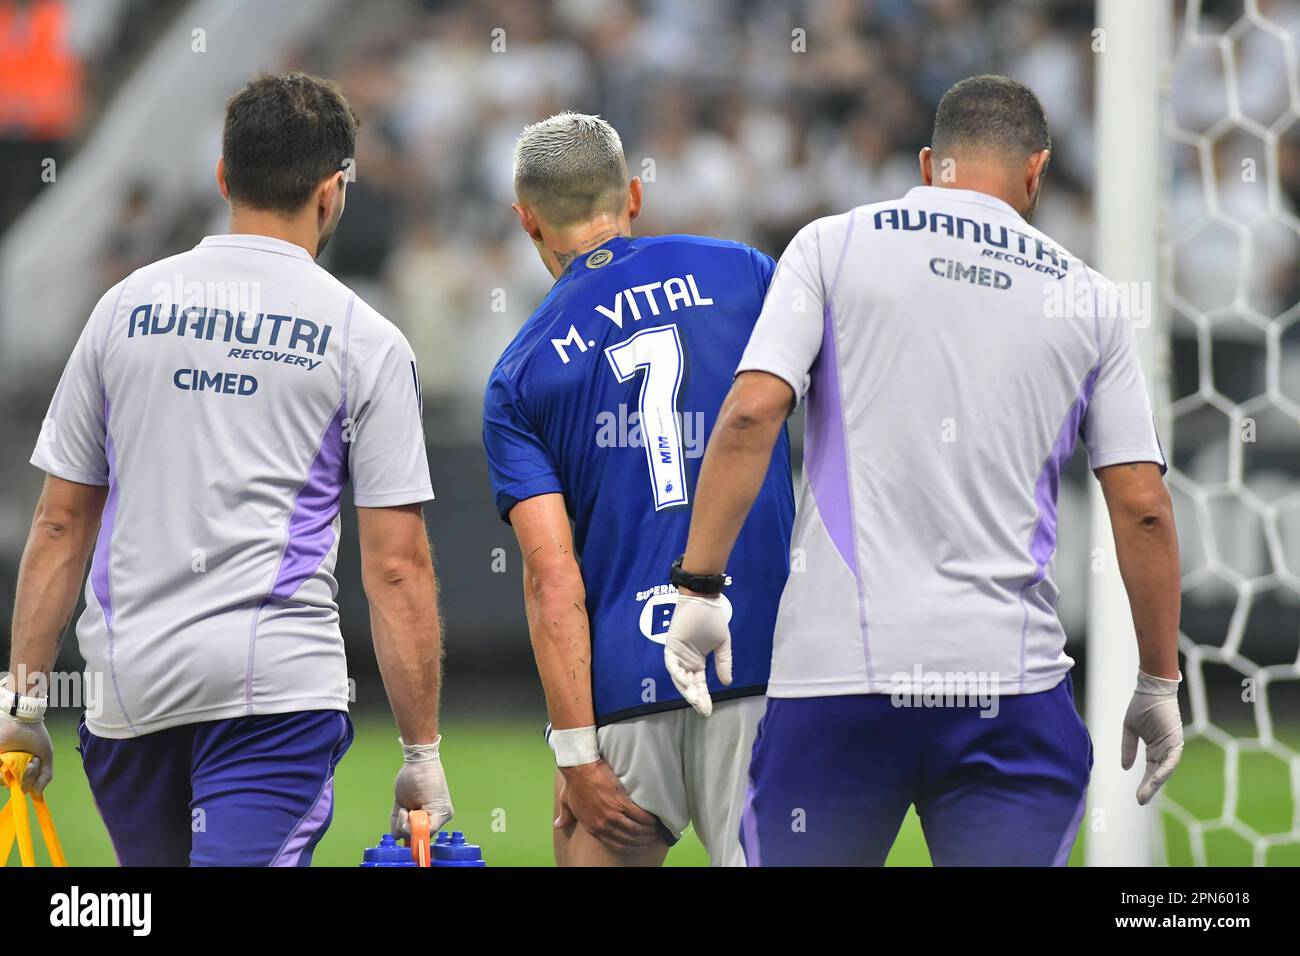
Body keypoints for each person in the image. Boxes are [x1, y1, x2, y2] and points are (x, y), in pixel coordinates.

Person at [663, 75, 1184, 866]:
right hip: (1008, 690)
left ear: (927, 162)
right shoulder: (1090, 298)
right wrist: (1157, 678)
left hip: (839, 681)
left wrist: (699, 587)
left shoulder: (830, 244)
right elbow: (1142, 504)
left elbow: (748, 416)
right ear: (1037, 172)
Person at [1, 72, 452, 866]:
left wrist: (23, 700)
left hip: (127, 694)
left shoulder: (123, 308)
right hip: (272, 692)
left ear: (222, 178)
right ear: (332, 191)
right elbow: (397, 568)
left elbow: (61, 520)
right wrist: (421, 755)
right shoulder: (365, 338)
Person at [482, 112, 794, 866]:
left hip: (623, 677)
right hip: (759, 654)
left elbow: (551, 580)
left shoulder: (519, 373)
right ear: (633, 196)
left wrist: (576, 754)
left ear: (525, 218)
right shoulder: (746, 275)